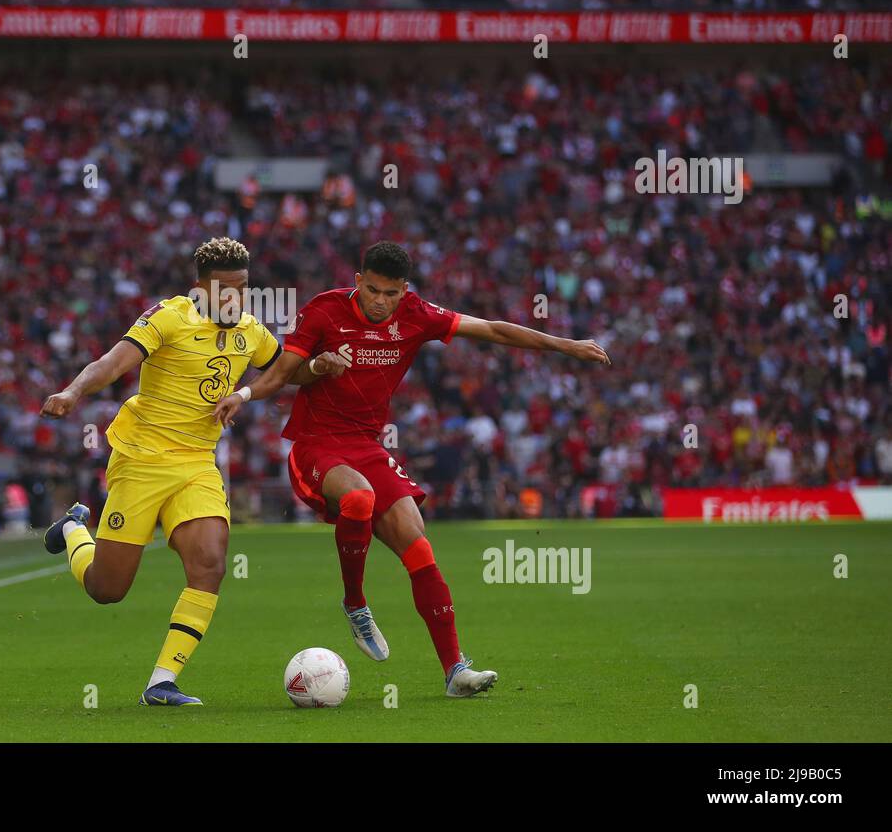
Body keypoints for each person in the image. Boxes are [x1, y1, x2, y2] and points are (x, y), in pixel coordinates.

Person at [214, 241, 611, 698]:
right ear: (359, 281)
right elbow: (282, 372)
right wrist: (244, 396)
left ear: (404, 291)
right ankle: (355, 603)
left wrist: (565, 345)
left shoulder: (418, 314)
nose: (380, 301)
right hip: (316, 446)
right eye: (373, 290)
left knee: (420, 548)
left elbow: (494, 331)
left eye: (391, 293)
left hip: (366, 446)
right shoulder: (324, 311)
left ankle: (455, 670)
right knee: (359, 498)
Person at [39, 237, 345, 706]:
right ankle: (76, 529)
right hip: (142, 460)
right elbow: (112, 363)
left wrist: (318, 367)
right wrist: (73, 392)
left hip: (197, 463)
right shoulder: (169, 317)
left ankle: (161, 682)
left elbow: (283, 371)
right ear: (200, 287)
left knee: (209, 564)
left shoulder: (250, 330)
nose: (234, 298)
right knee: (107, 589)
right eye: (225, 289)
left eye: (242, 288)